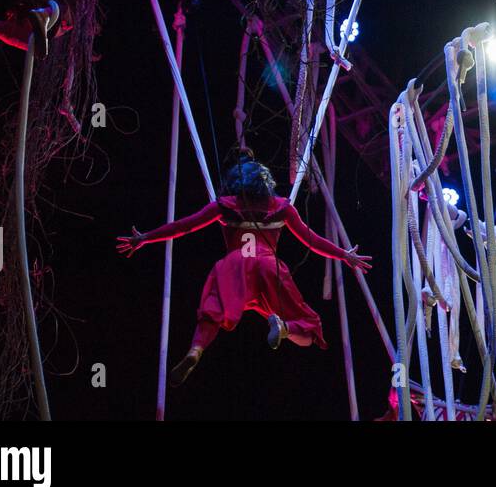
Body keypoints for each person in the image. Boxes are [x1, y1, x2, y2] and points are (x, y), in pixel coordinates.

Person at [116, 151, 372, 386]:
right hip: (268, 267)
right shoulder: (282, 207)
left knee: (212, 312)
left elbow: (184, 226)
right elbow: (312, 240)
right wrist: (344, 255)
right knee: (308, 327)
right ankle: (284, 328)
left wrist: (145, 237)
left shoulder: (225, 204)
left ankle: (196, 350)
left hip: (234, 268)